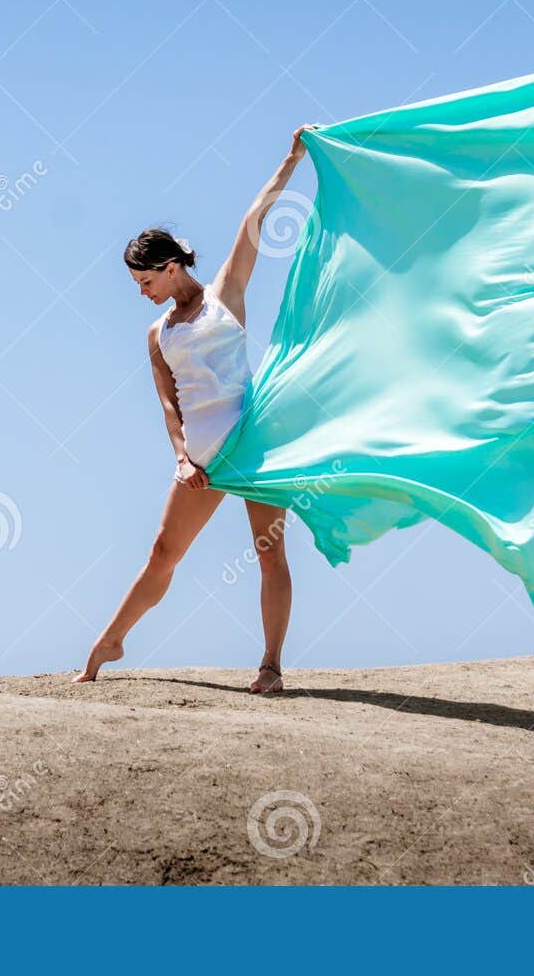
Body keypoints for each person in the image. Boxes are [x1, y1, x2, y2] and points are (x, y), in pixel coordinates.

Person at [73, 125, 318, 693]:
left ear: (171, 266)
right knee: (163, 550)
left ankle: (271, 666)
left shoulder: (225, 294)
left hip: (252, 442)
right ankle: (111, 641)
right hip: (202, 454)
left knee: (269, 552)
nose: (141, 292)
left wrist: (292, 158)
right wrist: (183, 458)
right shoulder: (156, 333)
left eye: (144, 280)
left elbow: (255, 218)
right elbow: (168, 404)